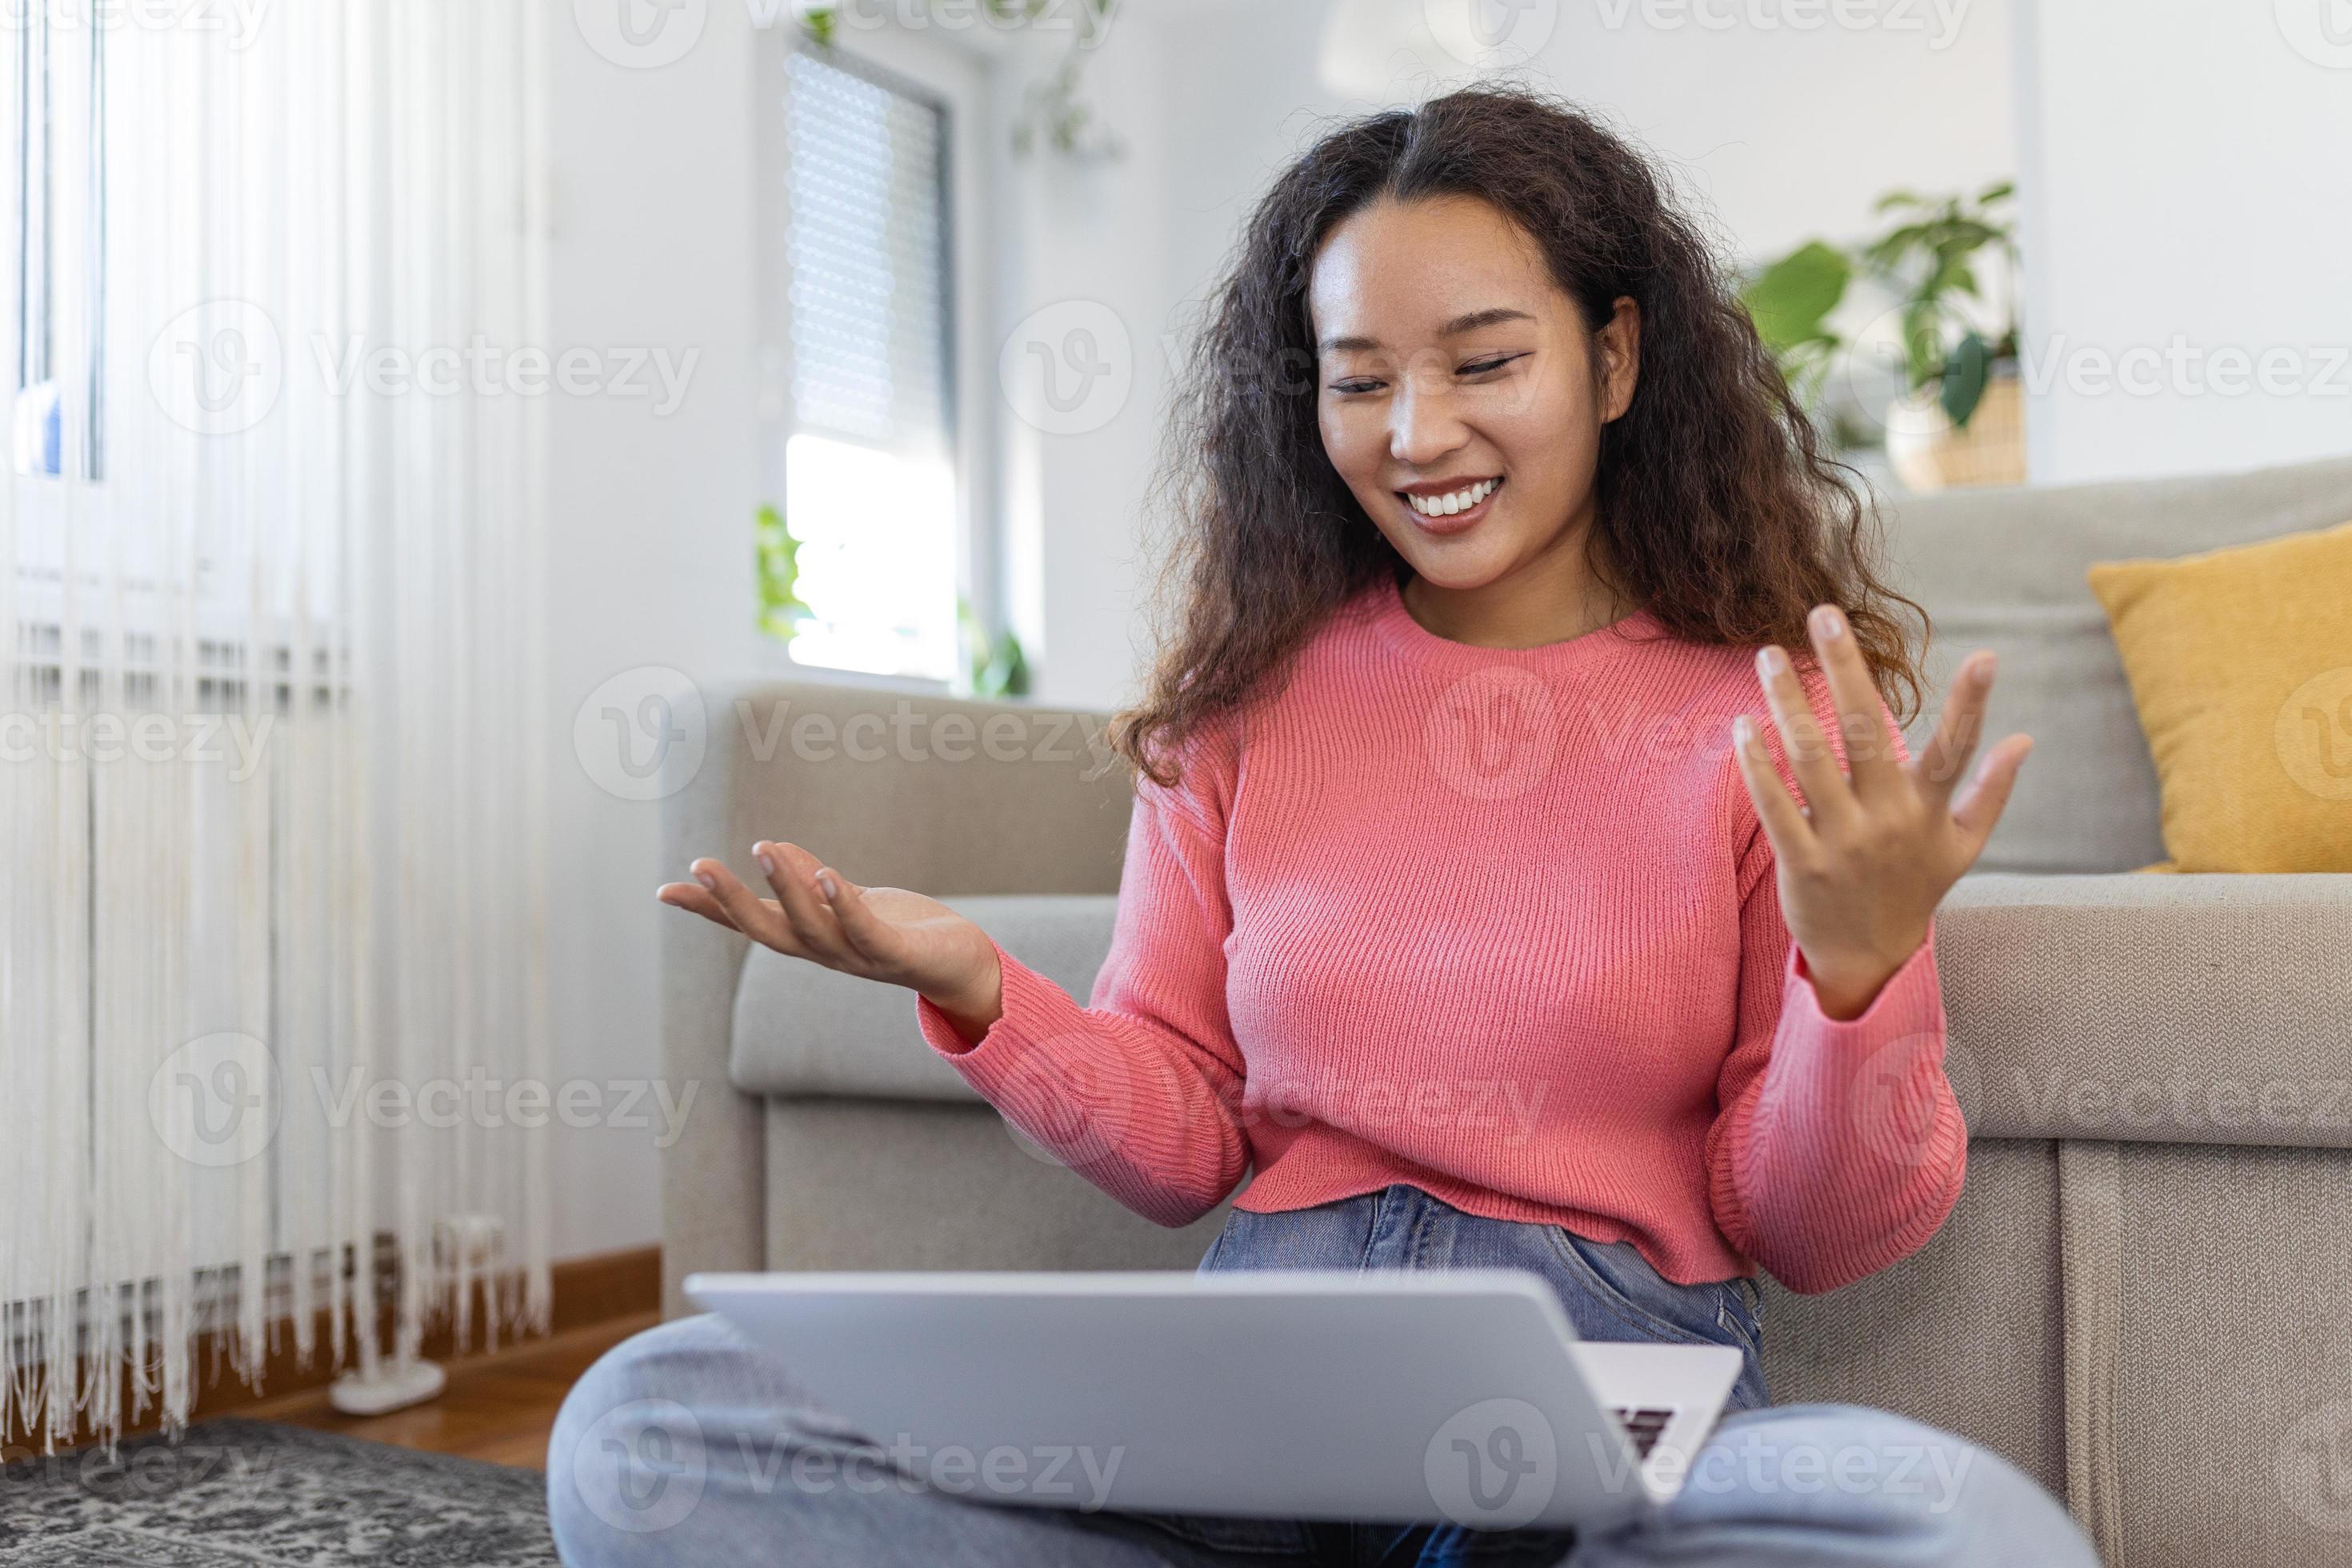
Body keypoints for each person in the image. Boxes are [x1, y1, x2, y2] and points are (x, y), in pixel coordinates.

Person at [548, 85, 2097, 1567]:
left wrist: (1860, 979)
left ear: (1615, 357)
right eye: (1359, 379)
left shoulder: (1781, 721)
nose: (1415, 433)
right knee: (654, 1416)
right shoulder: (1239, 704)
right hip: (1254, 1418)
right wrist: (977, 986)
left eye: (1485, 363)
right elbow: (1185, 1143)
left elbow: (1819, 1231)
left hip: (1601, 1417)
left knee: (1951, 1522)